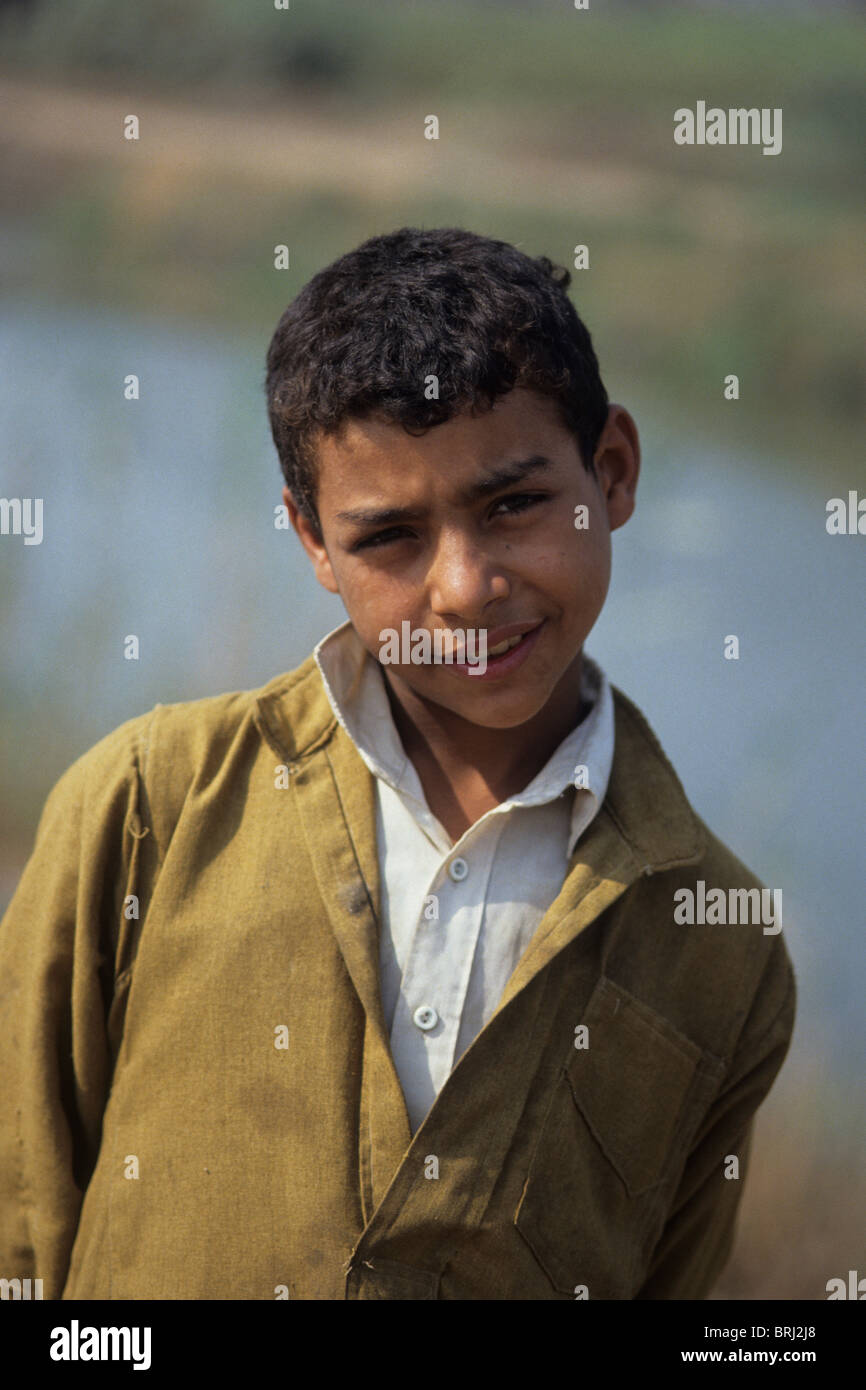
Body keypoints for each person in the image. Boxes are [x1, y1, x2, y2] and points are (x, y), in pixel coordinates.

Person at [0, 227, 795, 1300]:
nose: (464, 587)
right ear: (313, 545)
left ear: (609, 471)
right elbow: (18, 1212)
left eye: (511, 504)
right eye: (389, 538)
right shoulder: (150, 802)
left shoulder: (717, 947)